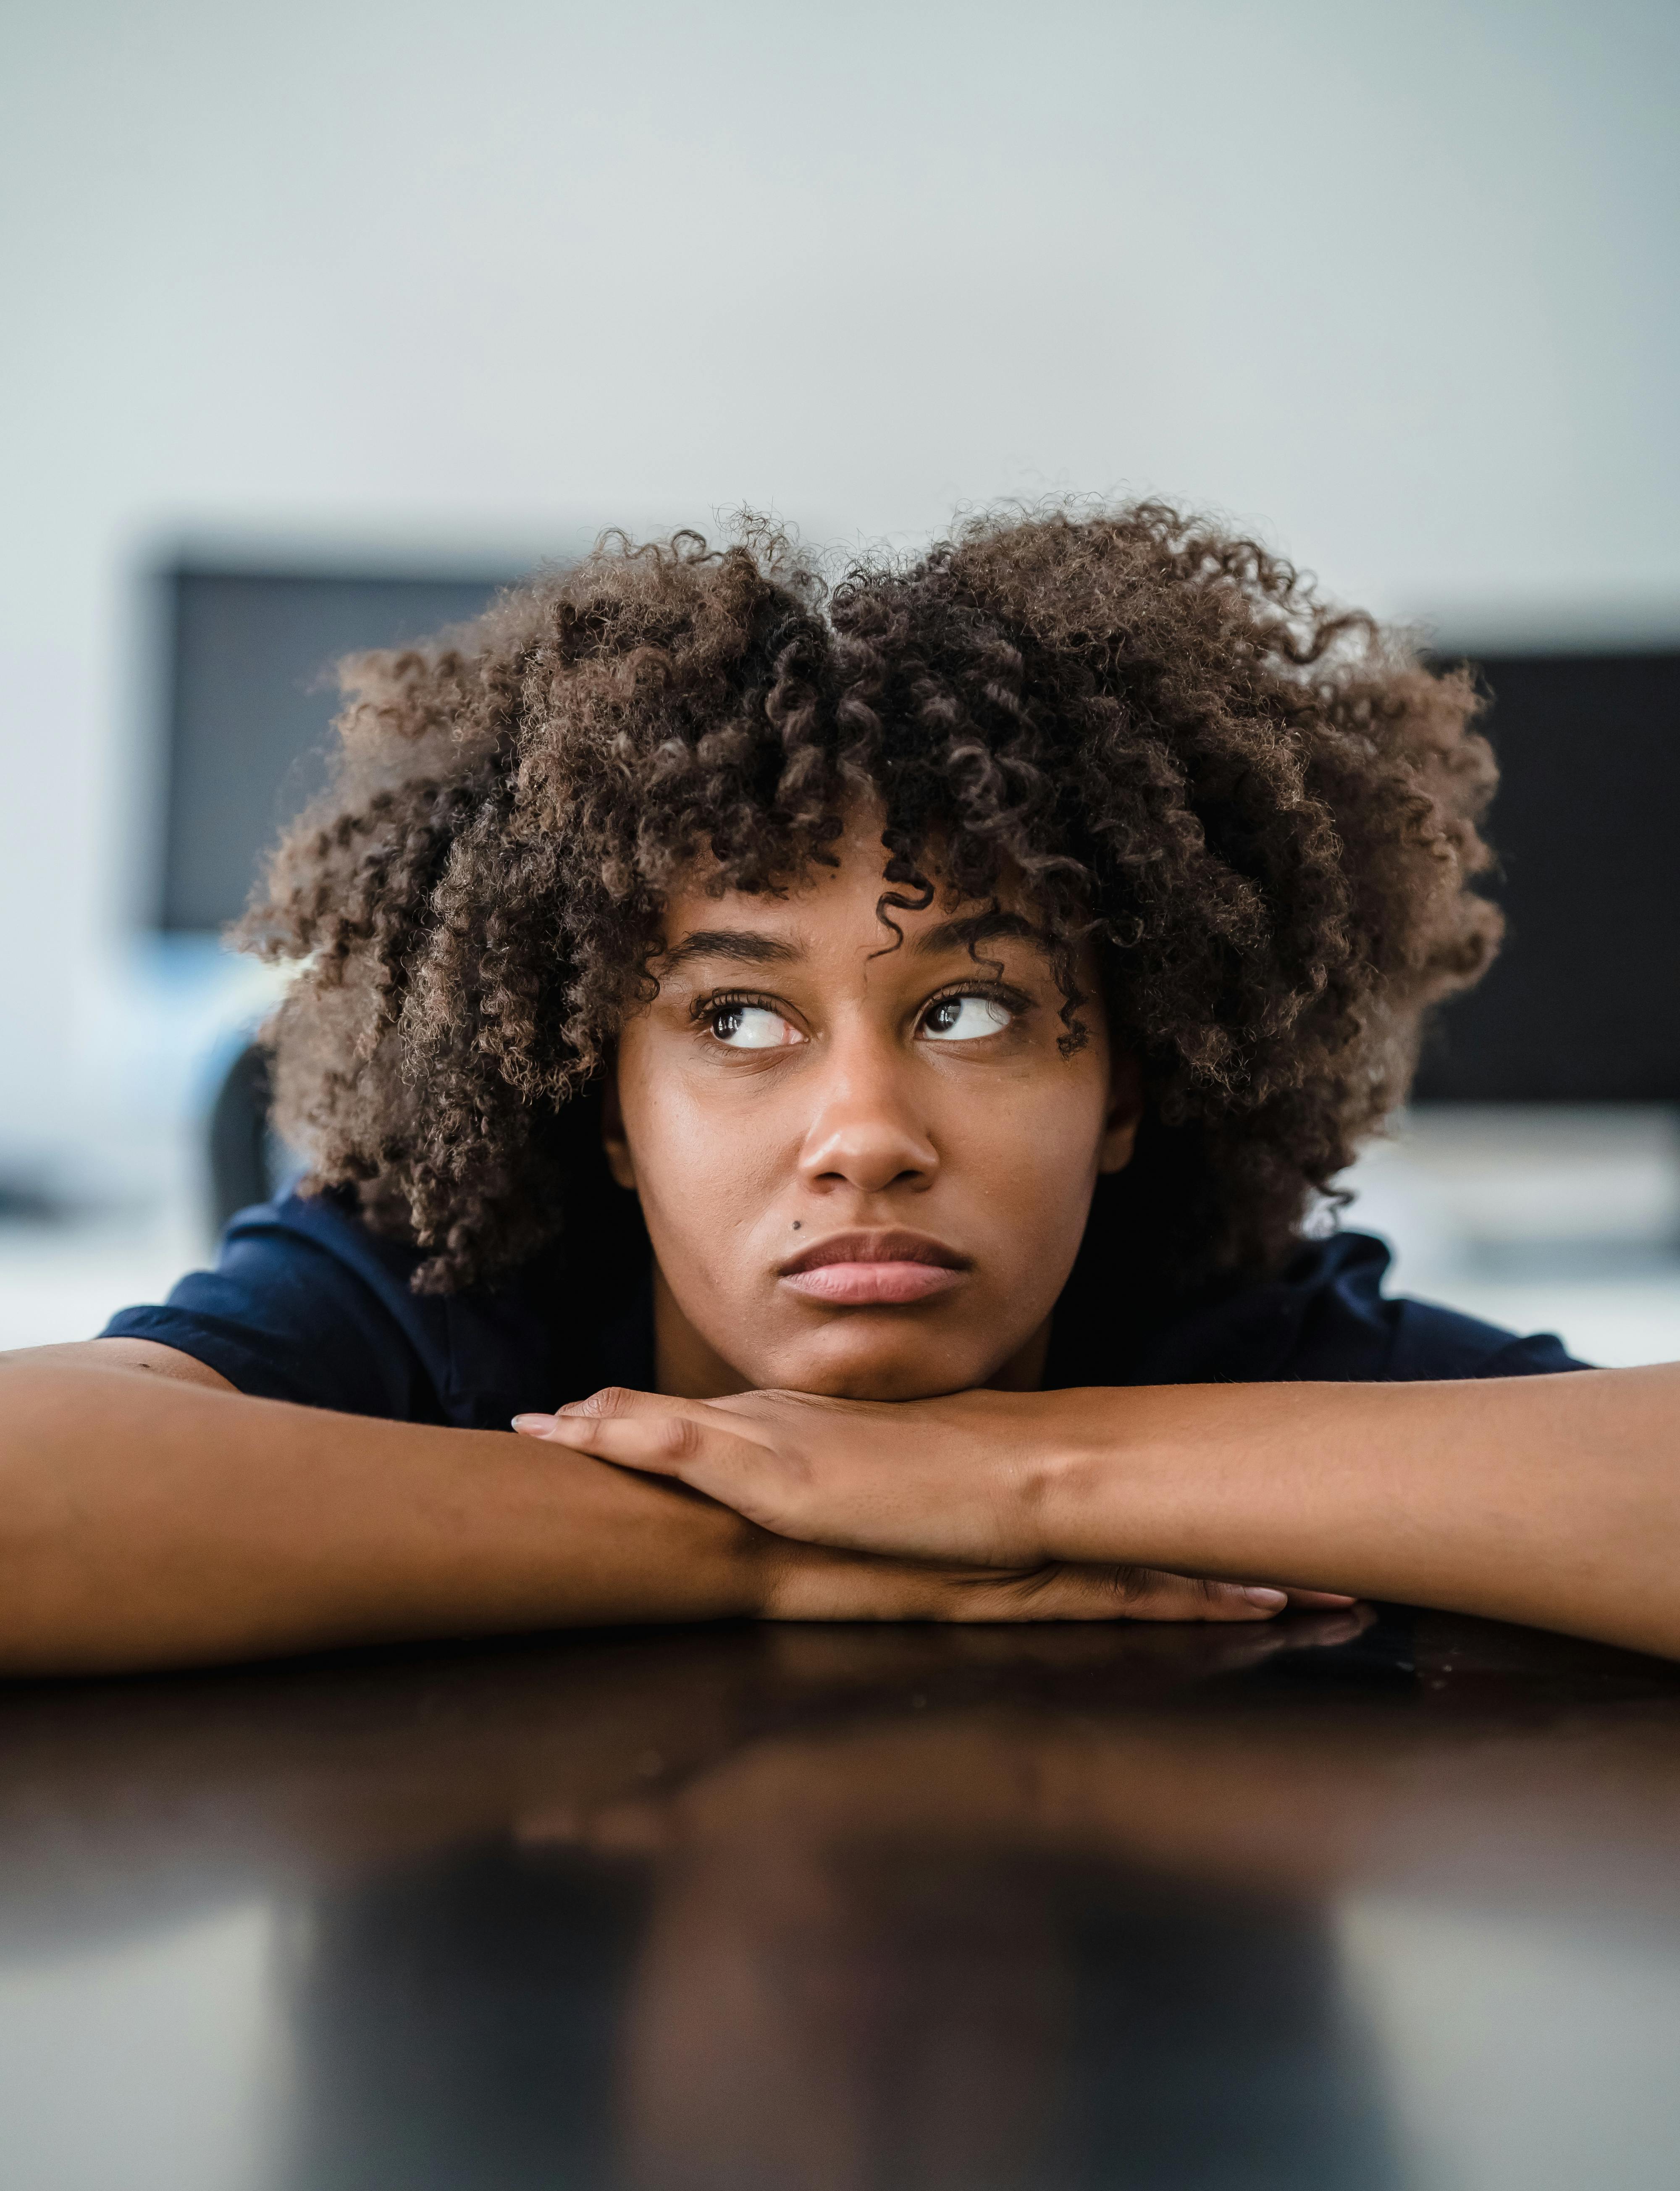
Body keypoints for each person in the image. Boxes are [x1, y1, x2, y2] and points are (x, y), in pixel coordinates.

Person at [2, 507, 1674, 1674]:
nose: (866, 1134)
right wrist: (758, 1545)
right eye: (735, 1017)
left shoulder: (1202, 1322)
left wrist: (1011, 1481)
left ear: (1127, 1088)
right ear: (604, 1103)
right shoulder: (450, 1300)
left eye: (969, 1008)